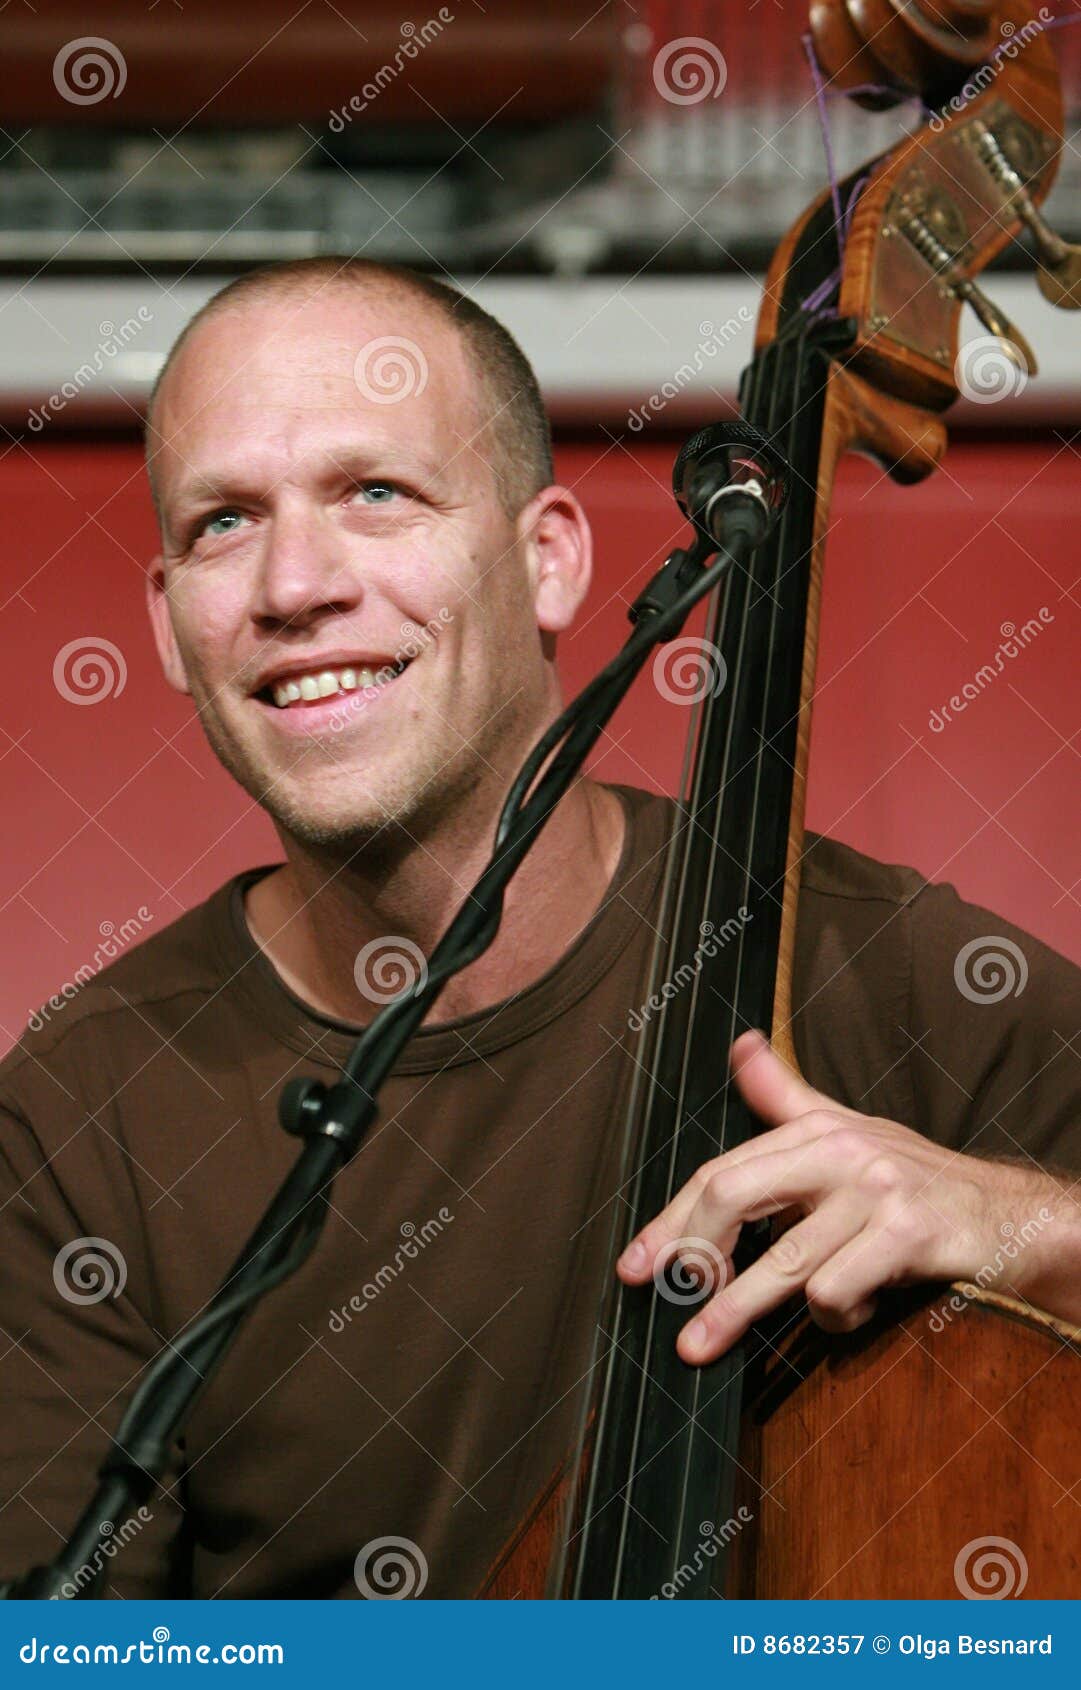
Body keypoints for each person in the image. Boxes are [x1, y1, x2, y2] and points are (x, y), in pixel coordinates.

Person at [1, 257, 1078, 1599]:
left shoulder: (868, 959)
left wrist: (1030, 1228)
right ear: (169, 626)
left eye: (374, 493)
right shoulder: (71, 1121)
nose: (292, 581)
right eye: (223, 521)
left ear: (549, 558)